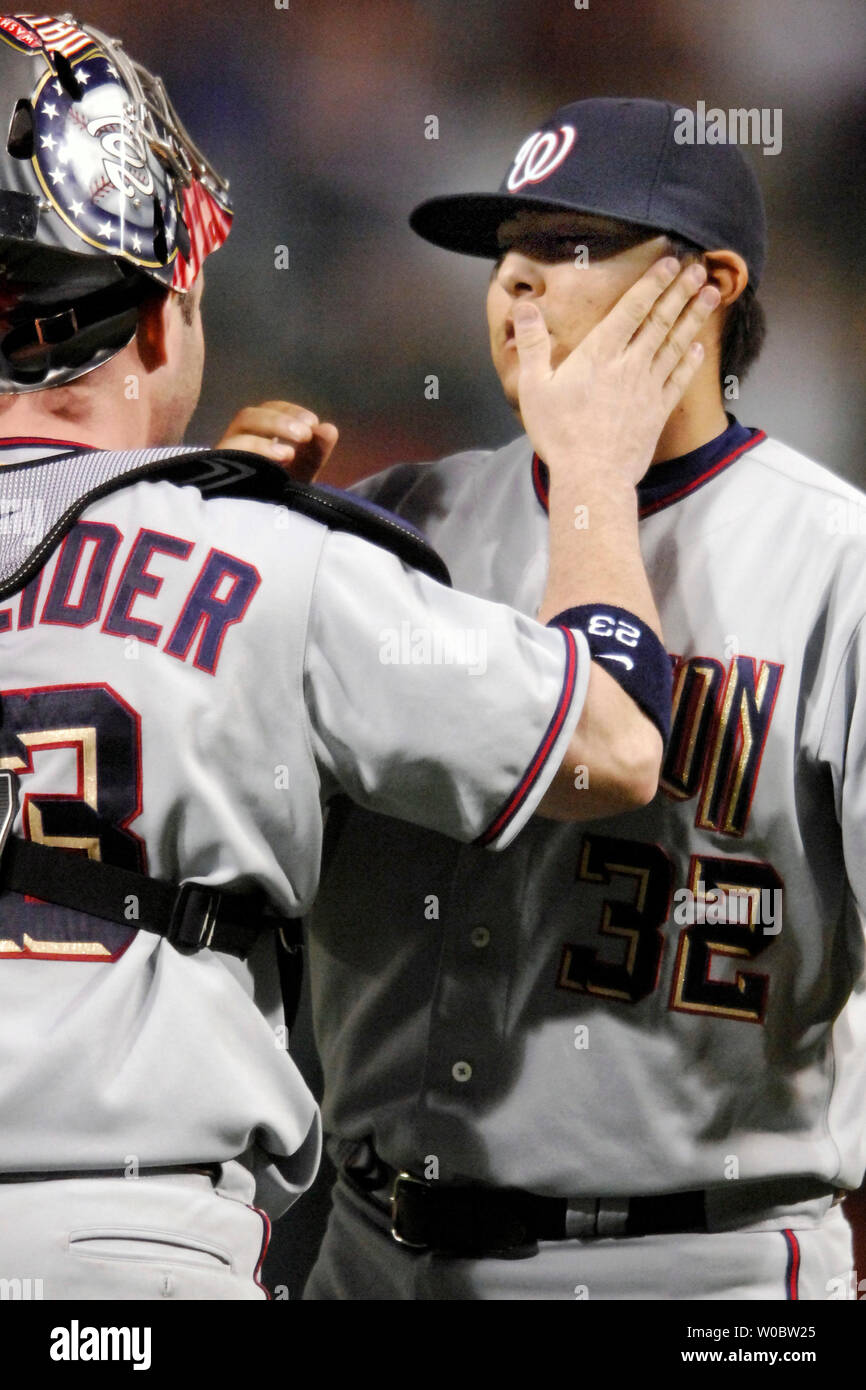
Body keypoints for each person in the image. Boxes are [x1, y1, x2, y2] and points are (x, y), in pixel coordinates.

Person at [0, 25, 711, 1300]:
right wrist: (596, 473)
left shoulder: (252, 537)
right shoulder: (265, 560)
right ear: (163, 323)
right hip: (123, 1252)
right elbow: (611, 741)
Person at [301, 98, 866, 1301]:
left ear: (705, 287)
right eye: (503, 246)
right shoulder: (394, 525)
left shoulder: (835, 563)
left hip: (697, 1261)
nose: (511, 279)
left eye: (565, 244)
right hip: (372, 1248)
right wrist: (231, 516)